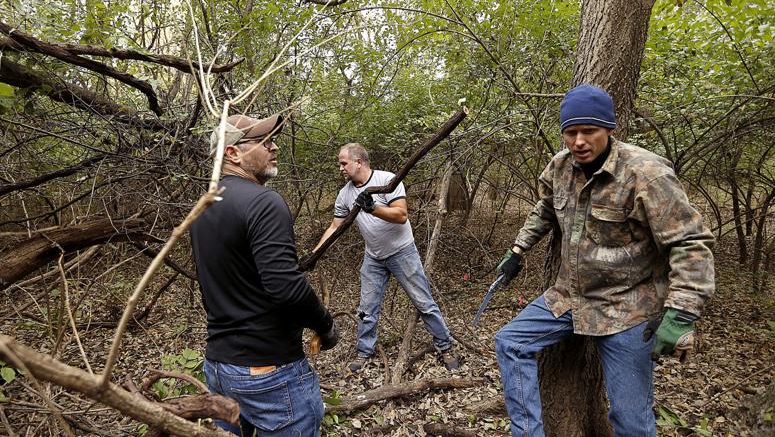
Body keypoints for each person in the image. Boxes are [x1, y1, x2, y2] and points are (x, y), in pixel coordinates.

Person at [493, 85, 715, 436]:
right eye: (570, 132)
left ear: (610, 129)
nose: (579, 141)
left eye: (589, 131)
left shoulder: (646, 173)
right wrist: (518, 249)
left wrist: (683, 312)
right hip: (570, 297)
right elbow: (547, 207)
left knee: (631, 420)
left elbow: (690, 243)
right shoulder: (561, 167)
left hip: (627, 308)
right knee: (510, 342)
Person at [190, 114, 339, 436]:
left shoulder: (203, 206)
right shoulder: (264, 202)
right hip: (268, 371)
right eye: (264, 141)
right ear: (233, 153)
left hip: (219, 367)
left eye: (273, 140)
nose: (274, 148)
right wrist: (325, 325)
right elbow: (285, 285)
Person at [314, 143, 459, 372]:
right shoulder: (345, 194)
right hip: (374, 257)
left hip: (403, 252)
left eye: (343, 163)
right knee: (366, 308)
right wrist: (316, 252)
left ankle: (445, 346)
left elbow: (401, 215)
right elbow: (335, 226)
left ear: (358, 161)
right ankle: (364, 352)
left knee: (424, 303)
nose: (340, 168)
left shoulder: (387, 180)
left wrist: (373, 208)